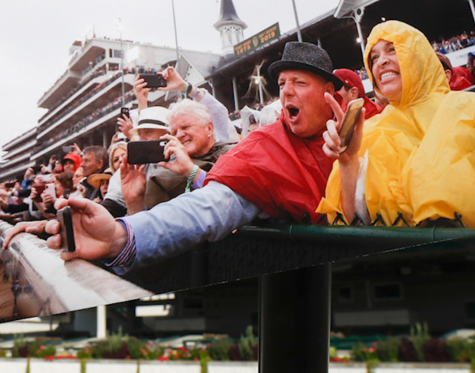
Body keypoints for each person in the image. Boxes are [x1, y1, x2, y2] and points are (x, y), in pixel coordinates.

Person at [21, 42, 344, 275]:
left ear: (330, 90)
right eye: (282, 83)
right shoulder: (266, 146)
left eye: (299, 82)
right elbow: (209, 207)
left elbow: (217, 114)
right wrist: (123, 234)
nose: (286, 91)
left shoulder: (367, 129)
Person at [319, 21, 475, 228]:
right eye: (374, 58)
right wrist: (347, 163)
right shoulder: (366, 132)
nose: (381, 61)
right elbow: (350, 223)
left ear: (418, 55)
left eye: (393, 49)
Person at [127, 99, 236, 212]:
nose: (179, 135)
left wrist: (191, 172)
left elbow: (234, 202)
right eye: (174, 132)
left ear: (209, 128)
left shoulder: (235, 154)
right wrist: (134, 202)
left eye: (185, 127)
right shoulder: (162, 175)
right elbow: (153, 225)